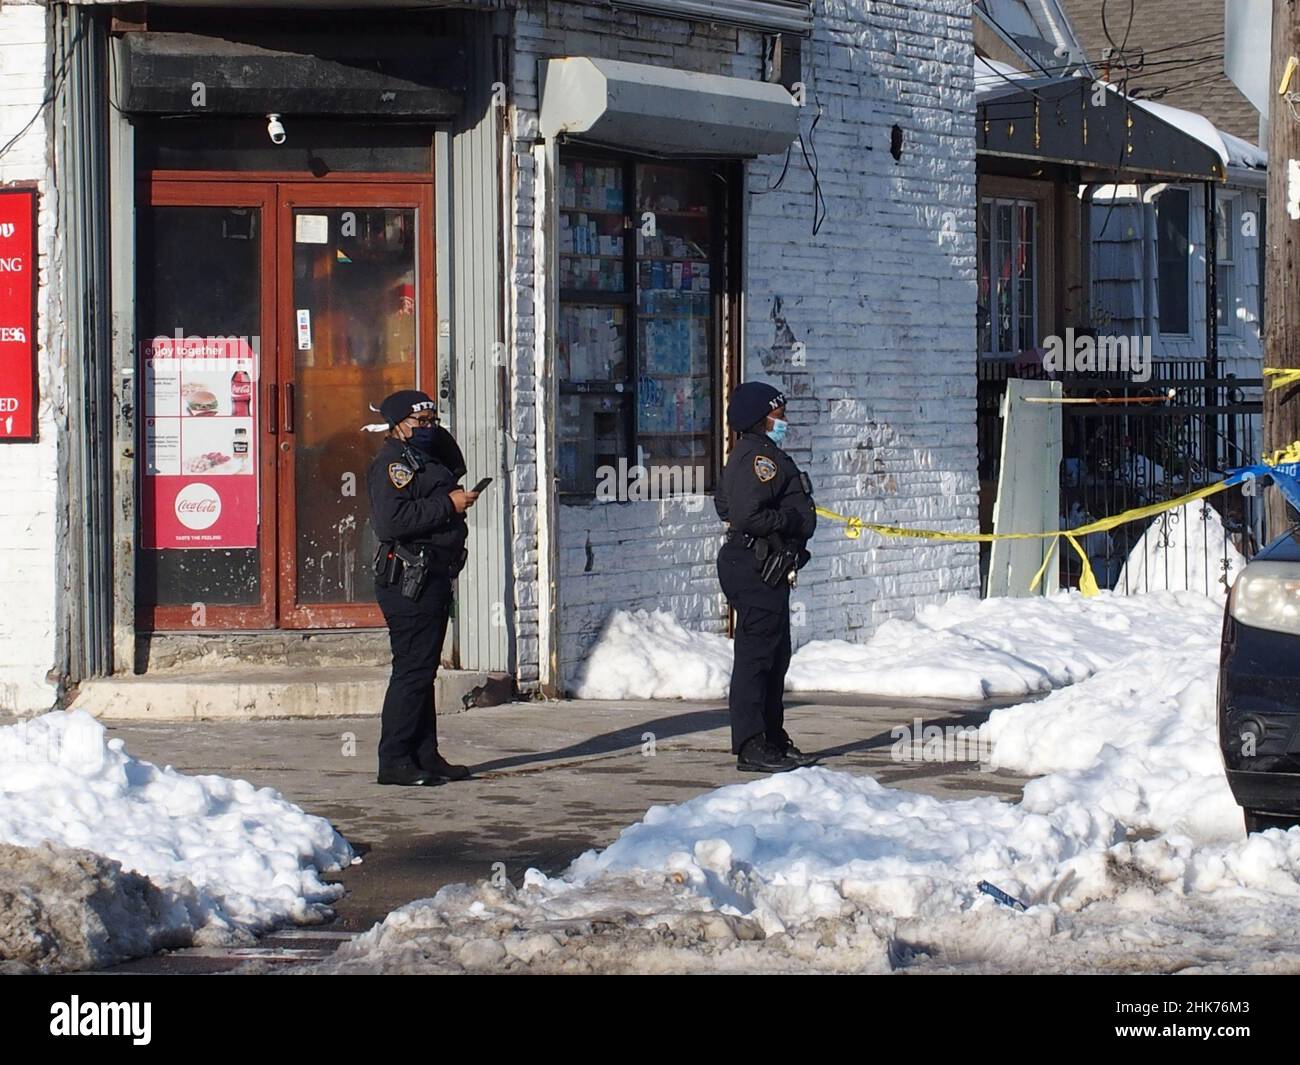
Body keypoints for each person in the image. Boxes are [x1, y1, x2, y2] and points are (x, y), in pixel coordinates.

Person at [367, 389, 480, 786]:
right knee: (412, 671)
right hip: (407, 580)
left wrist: (435, 436)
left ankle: (424, 754)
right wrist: (449, 506)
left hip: (434, 574)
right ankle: (394, 760)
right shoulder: (392, 464)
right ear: (398, 425)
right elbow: (393, 522)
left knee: (423, 671)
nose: (429, 429)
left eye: (434, 421)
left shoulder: (423, 457)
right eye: (421, 423)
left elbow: (452, 465)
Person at [715, 382, 817, 773]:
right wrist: (790, 522)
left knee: (776, 656)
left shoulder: (762, 456)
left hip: (768, 567)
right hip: (754, 567)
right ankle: (751, 743)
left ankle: (772, 735)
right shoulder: (756, 458)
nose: (784, 421)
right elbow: (745, 514)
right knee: (756, 659)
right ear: (762, 419)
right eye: (779, 414)